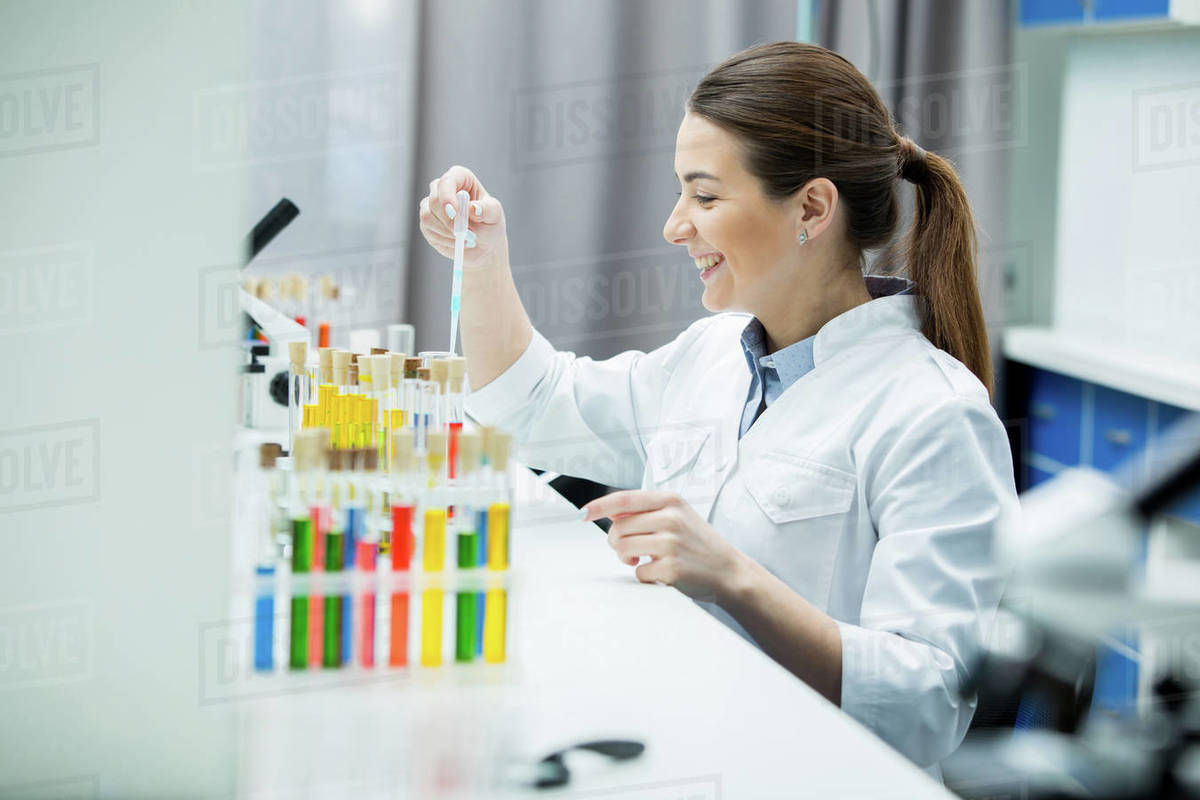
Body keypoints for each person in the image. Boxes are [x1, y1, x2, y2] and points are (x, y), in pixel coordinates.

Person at [417, 41, 1017, 773]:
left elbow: (930, 700)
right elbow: (536, 407)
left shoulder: (933, 412)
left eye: (704, 197)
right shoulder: (711, 355)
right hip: (687, 739)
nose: (675, 226)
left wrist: (734, 578)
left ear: (812, 208)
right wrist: (483, 259)